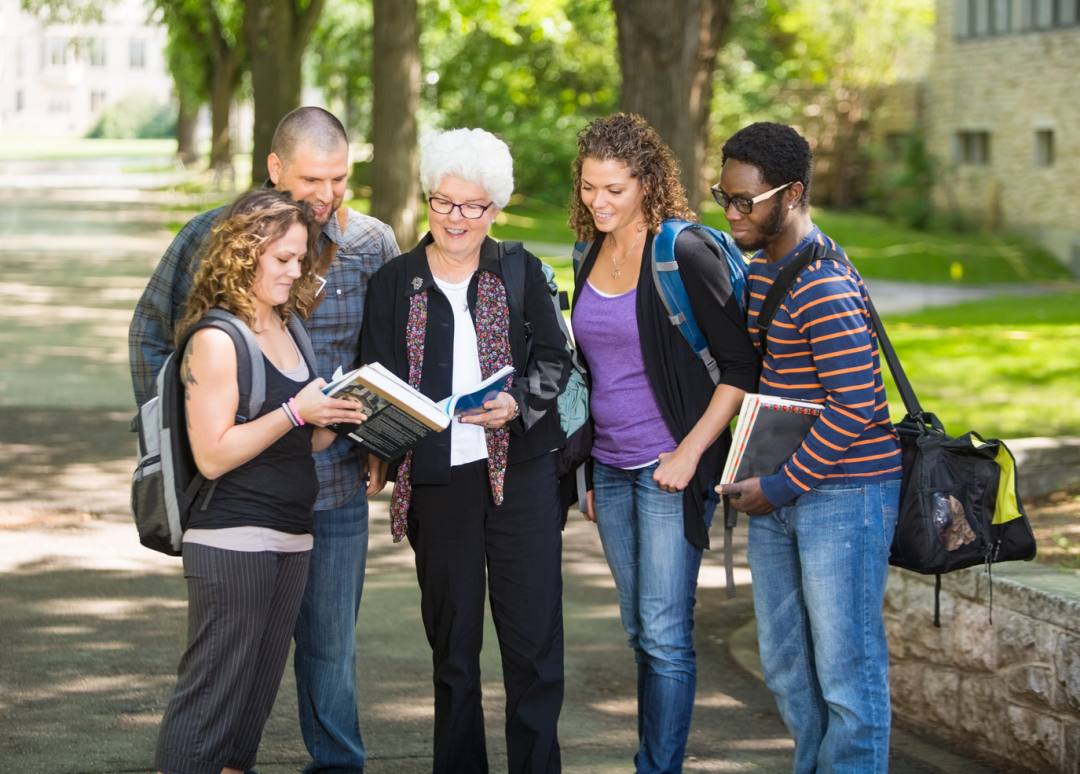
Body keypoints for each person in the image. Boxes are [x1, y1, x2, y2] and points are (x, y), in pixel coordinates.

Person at [129, 107, 398, 774]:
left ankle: (337, 767)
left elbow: (388, 356)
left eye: (341, 179)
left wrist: (383, 443)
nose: (329, 194)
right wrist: (183, 447)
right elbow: (150, 338)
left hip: (329, 485)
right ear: (275, 168)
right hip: (235, 495)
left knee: (324, 652)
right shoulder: (213, 238)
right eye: (313, 178)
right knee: (227, 666)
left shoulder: (372, 243)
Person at [360, 128, 571, 774]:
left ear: (494, 209)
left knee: (534, 654)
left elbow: (556, 362)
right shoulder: (394, 283)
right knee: (454, 656)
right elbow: (375, 377)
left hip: (523, 483)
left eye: (471, 206)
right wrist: (385, 440)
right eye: (443, 203)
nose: (455, 219)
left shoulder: (522, 270)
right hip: (439, 485)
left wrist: (518, 405)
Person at [568, 113, 760, 774]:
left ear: (647, 183)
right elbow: (590, 373)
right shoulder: (586, 251)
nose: (599, 201)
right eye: (590, 186)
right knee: (638, 631)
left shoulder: (683, 251)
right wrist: (587, 473)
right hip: (611, 470)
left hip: (667, 467)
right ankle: (655, 758)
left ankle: (658, 766)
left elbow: (740, 367)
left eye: (614, 189)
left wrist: (688, 453)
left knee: (664, 634)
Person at [154, 189, 365, 774]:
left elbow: (301, 438)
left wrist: (344, 419)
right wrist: (298, 412)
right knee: (209, 706)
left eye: (300, 259)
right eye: (283, 260)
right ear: (245, 255)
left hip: (292, 538)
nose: (296, 270)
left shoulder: (290, 326)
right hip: (230, 541)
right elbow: (214, 454)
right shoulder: (215, 339)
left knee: (248, 712)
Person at [715, 122, 903, 774]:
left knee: (848, 674)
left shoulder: (822, 284)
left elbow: (858, 405)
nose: (734, 214)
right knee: (790, 669)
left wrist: (781, 484)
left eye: (747, 201)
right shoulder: (761, 269)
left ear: (791, 195)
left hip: (844, 496)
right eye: (725, 197)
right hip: (781, 492)